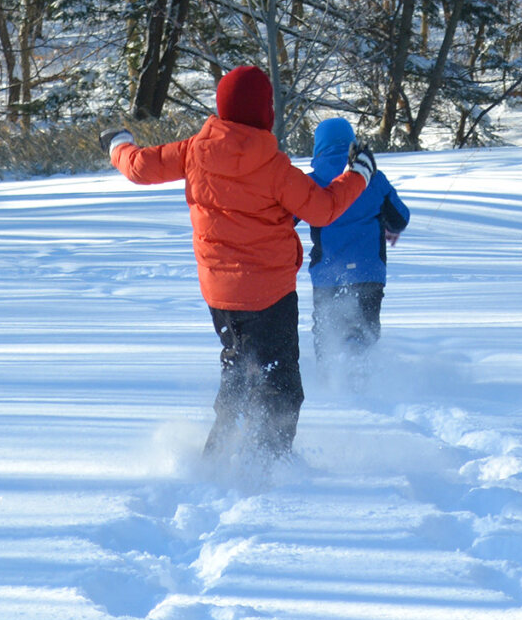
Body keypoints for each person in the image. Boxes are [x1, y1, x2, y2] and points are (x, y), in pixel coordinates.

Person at [105, 67, 365, 461]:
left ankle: (218, 455)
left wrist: (118, 144)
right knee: (281, 384)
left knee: (238, 369)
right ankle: (270, 462)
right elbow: (324, 208)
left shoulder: (195, 150)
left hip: (220, 295)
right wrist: (359, 174)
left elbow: (140, 167)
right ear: (265, 111)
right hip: (270, 295)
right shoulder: (273, 167)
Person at [303, 118, 410, 357]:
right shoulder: (372, 178)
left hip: (327, 275)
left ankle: (330, 382)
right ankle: (364, 379)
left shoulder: (310, 182)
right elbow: (400, 218)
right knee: (365, 333)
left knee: (326, 334)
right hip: (368, 273)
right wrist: (389, 225)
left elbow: (284, 220)